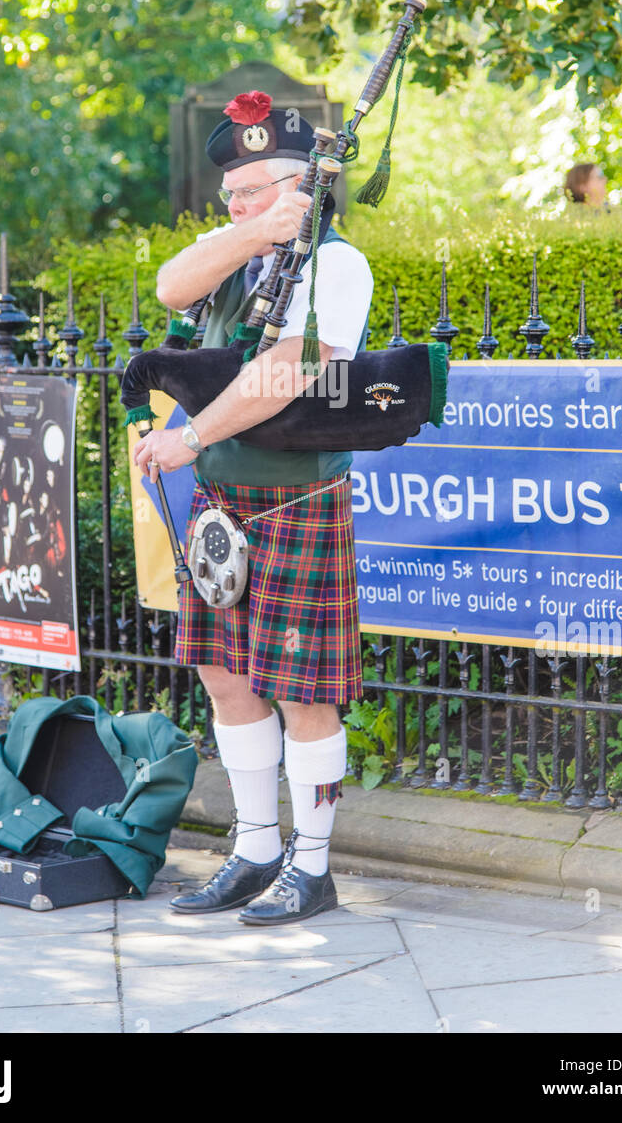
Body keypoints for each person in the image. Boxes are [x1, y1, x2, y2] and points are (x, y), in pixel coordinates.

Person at [133, 88, 373, 925]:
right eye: (230, 192)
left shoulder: (334, 264)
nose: (237, 203)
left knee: (305, 688)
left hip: (296, 495)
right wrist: (250, 230)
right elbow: (170, 287)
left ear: (305, 185)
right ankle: (254, 850)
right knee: (223, 676)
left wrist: (187, 439)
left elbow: (289, 372)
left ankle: (312, 868)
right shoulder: (241, 244)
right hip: (221, 503)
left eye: (257, 188)